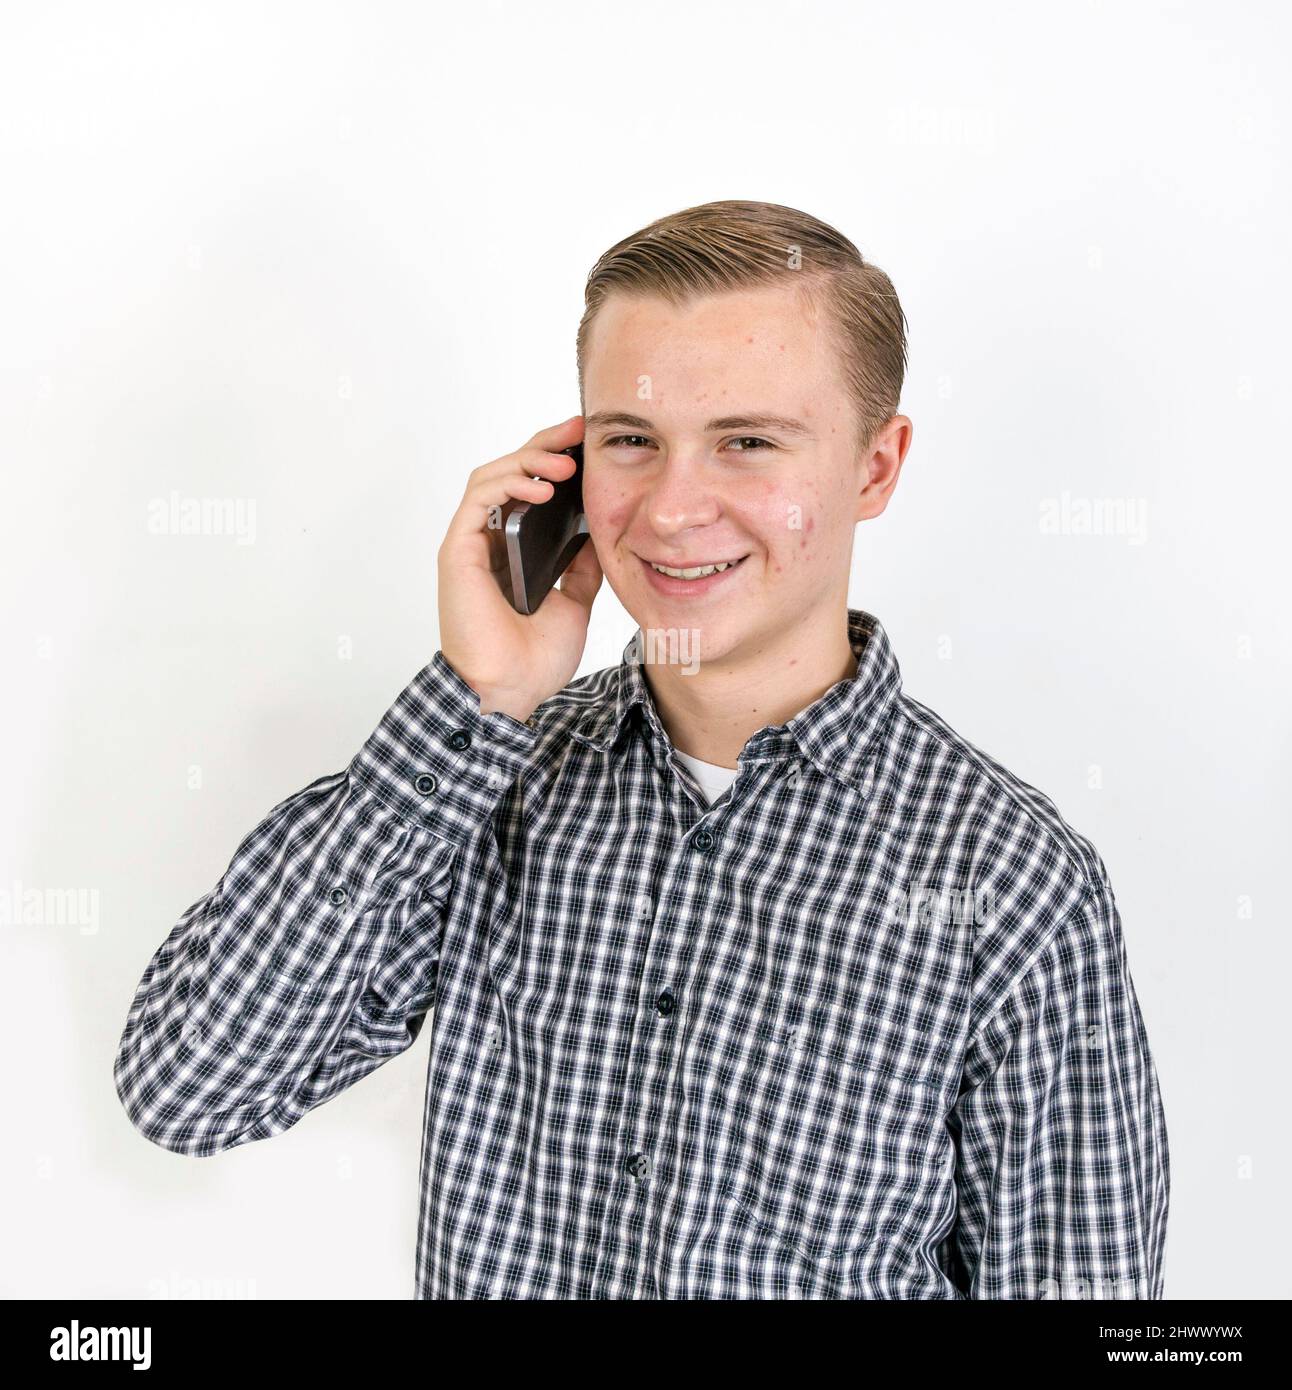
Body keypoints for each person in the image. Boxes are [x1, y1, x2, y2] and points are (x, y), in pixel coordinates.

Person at [114, 199, 1170, 1300]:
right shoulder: (484, 781)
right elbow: (189, 1088)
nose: (670, 510)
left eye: (747, 442)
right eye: (630, 441)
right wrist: (481, 697)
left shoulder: (1012, 882)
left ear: (873, 467)